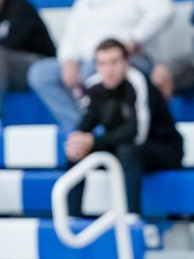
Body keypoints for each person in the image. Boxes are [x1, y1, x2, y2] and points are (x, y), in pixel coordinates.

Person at [28, 0, 175, 134]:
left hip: (126, 59)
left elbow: (164, 10)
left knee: (95, 70)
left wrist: (134, 39)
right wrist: (68, 59)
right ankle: (79, 127)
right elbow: (72, 31)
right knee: (40, 73)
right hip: (87, 60)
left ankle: (102, 127)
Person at [65, 38, 183, 218]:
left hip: (163, 148)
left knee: (128, 151)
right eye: (103, 63)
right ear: (96, 65)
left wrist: (94, 141)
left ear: (126, 62)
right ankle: (71, 219)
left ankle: (132, 219)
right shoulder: (95, 87)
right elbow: (85, 124)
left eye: (114, 62)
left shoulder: (138, 82)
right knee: (77, 151)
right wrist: (78, 141)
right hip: (122, 147)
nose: (109, 69)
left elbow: (138, 134)